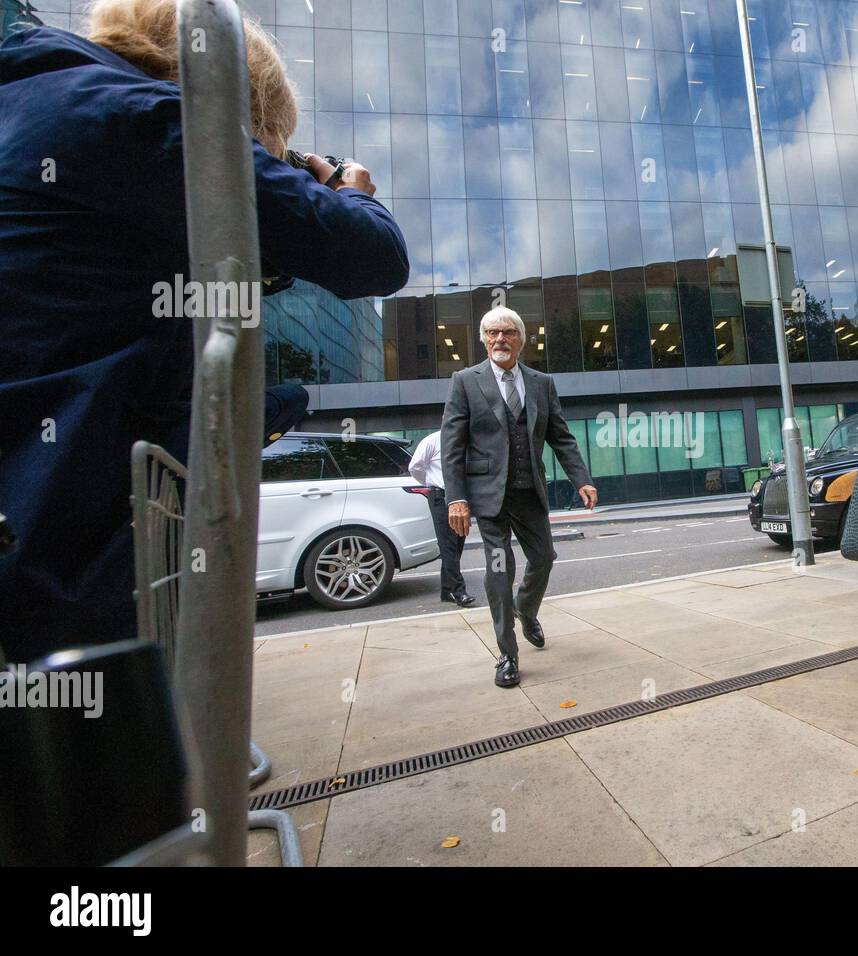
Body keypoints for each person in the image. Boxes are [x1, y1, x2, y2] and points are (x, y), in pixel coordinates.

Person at [0, 0, 409, 664]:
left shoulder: (37, 100)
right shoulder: (144, 116)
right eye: (265, 146)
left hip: (35, 483)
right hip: (60, 516)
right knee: (90, 714)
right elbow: (375, 257)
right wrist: (349, 188)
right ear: (235, 99)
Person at [440, 307, 597, 688]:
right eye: (492, 333)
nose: (500, 339)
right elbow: (452, 445)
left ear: (521, 340)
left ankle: (525, 609)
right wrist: (456, 498)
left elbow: (561, 436)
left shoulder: (541, 383)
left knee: (544, 558)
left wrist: (581, 479)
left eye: (508, 332)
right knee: (499, 569)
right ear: (483, 339)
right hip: (489, 499)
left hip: (529, 493)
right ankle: (508, 654)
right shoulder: (465, 381)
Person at [407, 429, 476, 608]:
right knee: (448, 545)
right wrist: (432, 482)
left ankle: (447, 590)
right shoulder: (432, 440)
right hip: (440, 495)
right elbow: (415, 467)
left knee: (458, 542)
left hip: (462, 497)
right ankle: (459, 592)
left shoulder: (466, 439)